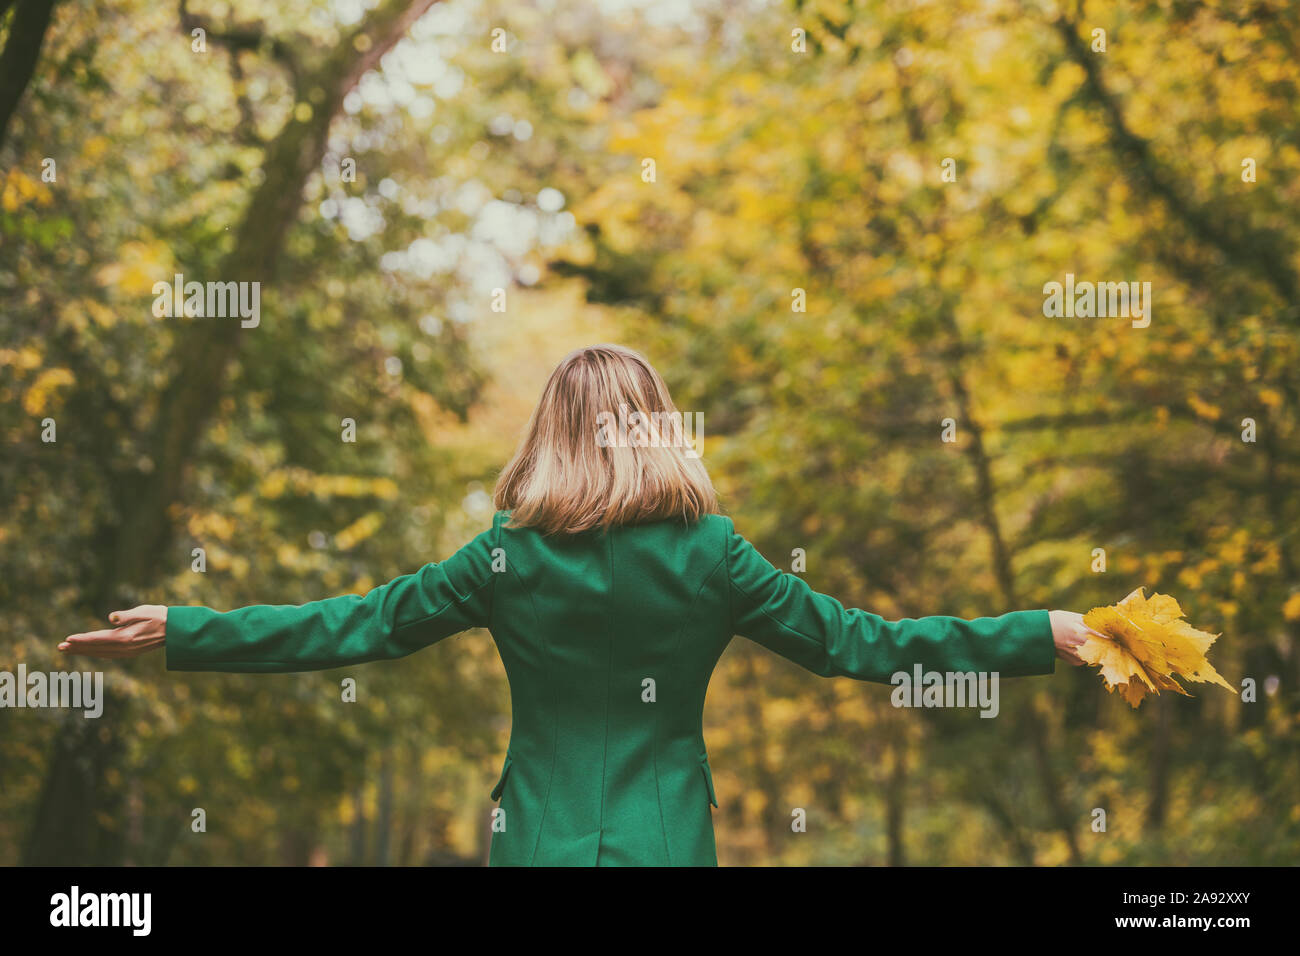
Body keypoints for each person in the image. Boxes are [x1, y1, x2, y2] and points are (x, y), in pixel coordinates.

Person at [60, 343, 1092, 866]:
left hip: (536, 837)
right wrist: (1035, 632)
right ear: (656, 427)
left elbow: (356, 622)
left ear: (552, 430)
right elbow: (866, 646)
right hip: (665, 840)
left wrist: (187, 628)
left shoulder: (506, 560)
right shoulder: (714, 555)